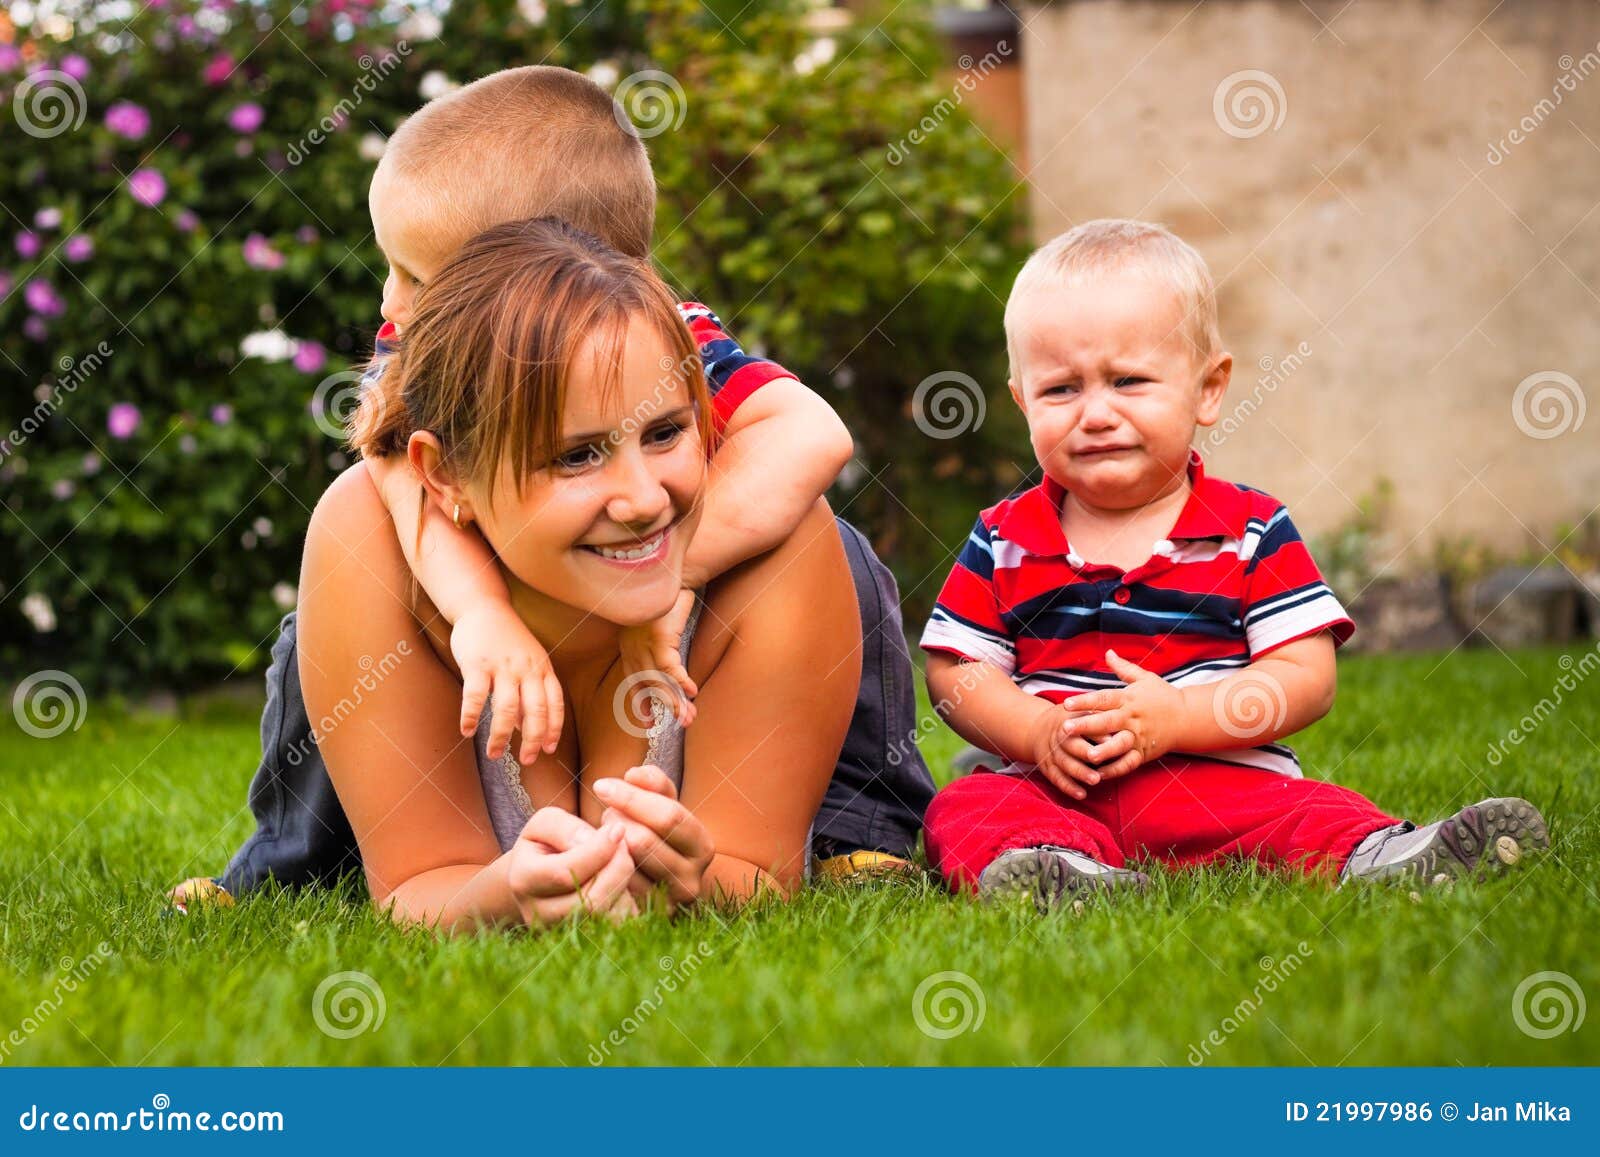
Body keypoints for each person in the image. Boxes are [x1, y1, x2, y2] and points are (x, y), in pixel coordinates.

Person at [170, 66, 932, 911]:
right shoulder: (424, 351)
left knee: (832, 545)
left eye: (415, 277)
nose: (391, 301)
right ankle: (286, 866)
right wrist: (481, 613)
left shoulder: (670, 337)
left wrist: (662, 584)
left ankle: (860, 832)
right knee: (333, 592)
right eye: (575, 455)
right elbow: (391, 467)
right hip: (488, 602)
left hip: (675, 610)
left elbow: (813, 434)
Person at [918, 218, 1548, 909]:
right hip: (1058, 786)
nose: (1094, 413)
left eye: (1129, 381)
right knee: (966, 803)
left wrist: (1179, 717)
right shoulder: (1004, 537)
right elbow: (958, 671)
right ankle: (1056, 868)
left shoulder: (1250, 530)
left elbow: (1305, 677)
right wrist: (1034, 731)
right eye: (1061, 390)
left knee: (1299, 809)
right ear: (1021, 402)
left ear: (1208, 389)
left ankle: (1388, 855)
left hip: (1216, 782)